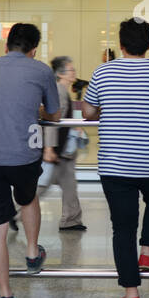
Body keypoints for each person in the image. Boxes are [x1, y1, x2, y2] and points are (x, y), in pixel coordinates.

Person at [82, 18, 149, 298]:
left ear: (121, 44)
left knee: (122, 229)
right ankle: (148, 250)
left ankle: (131, 294)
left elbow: (88, 112)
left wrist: (110, 105)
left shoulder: (103, 72)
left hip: (114, 165)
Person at [0, 22, 62, 298]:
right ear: (34, 49)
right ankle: (32, 252)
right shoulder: (41, 71)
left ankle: (6, 297)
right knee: (27, 198)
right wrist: (35, 110)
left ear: (6, 45)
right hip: (24, 154)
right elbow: (53, 113)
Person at [45, 55, 85, 231]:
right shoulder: (59, 91)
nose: (74, 72)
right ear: (61, 74)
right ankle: (15, 214)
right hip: (57, 149)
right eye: (71, 70)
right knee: (42, 185)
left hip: (62, 149)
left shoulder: (63, 90)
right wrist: (49, 148)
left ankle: (71, 220)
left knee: (69, 184)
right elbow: (53, 120)